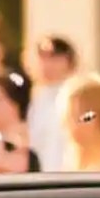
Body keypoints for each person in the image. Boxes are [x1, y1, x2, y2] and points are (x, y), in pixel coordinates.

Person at [26, 35, 76, 172]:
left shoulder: (76, 96)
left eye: (55, 58)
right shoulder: (28, 100)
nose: (47, 64)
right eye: (42, 58)